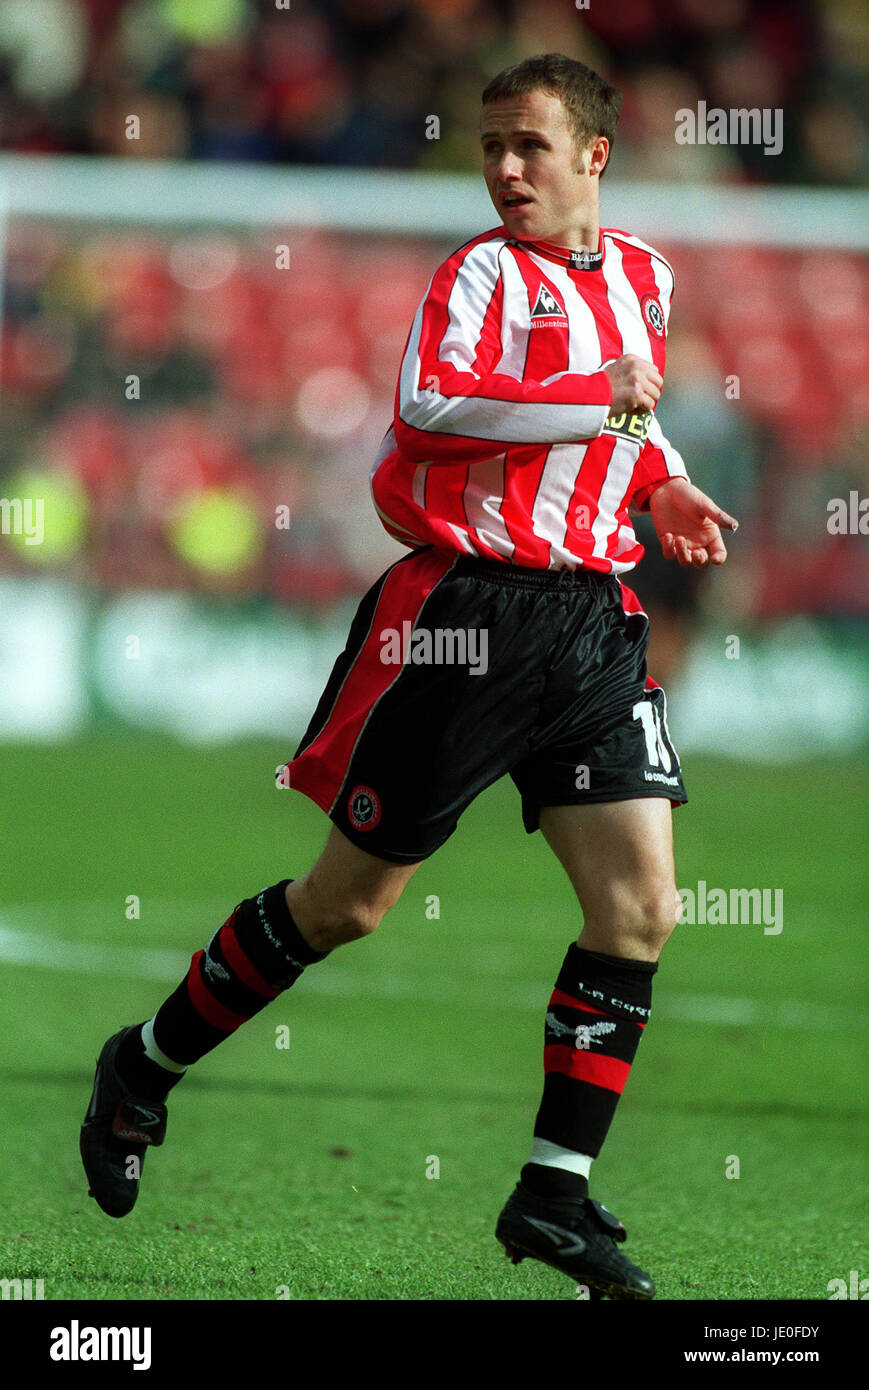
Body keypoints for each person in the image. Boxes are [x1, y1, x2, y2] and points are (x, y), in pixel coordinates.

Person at [81, 52, 737, 1301]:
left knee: (639, 911)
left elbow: (628, 418)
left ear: (592, 156)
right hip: (465, 619)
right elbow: (430, 408)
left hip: (594, 618)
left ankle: (550, 1193)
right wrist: (591, 406)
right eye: (490, 146)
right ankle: (142, 1067)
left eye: (528, 147)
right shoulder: (479, 275)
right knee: (345, 907)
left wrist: (657, 481)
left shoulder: (644, 275)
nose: (502, 170)